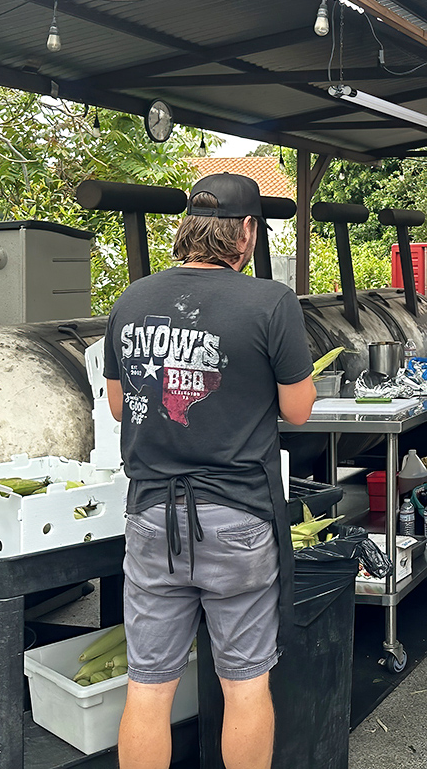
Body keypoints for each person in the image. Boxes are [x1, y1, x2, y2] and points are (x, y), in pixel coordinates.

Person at [103, 172, 316, 769]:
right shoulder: (269, 302)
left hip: (151, 517)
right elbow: (298, 410)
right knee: (244, 685)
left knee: (148, 687)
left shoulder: (131, 300)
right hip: (238, 518)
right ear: (246, 232)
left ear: (187, 227)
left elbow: (122, 407)